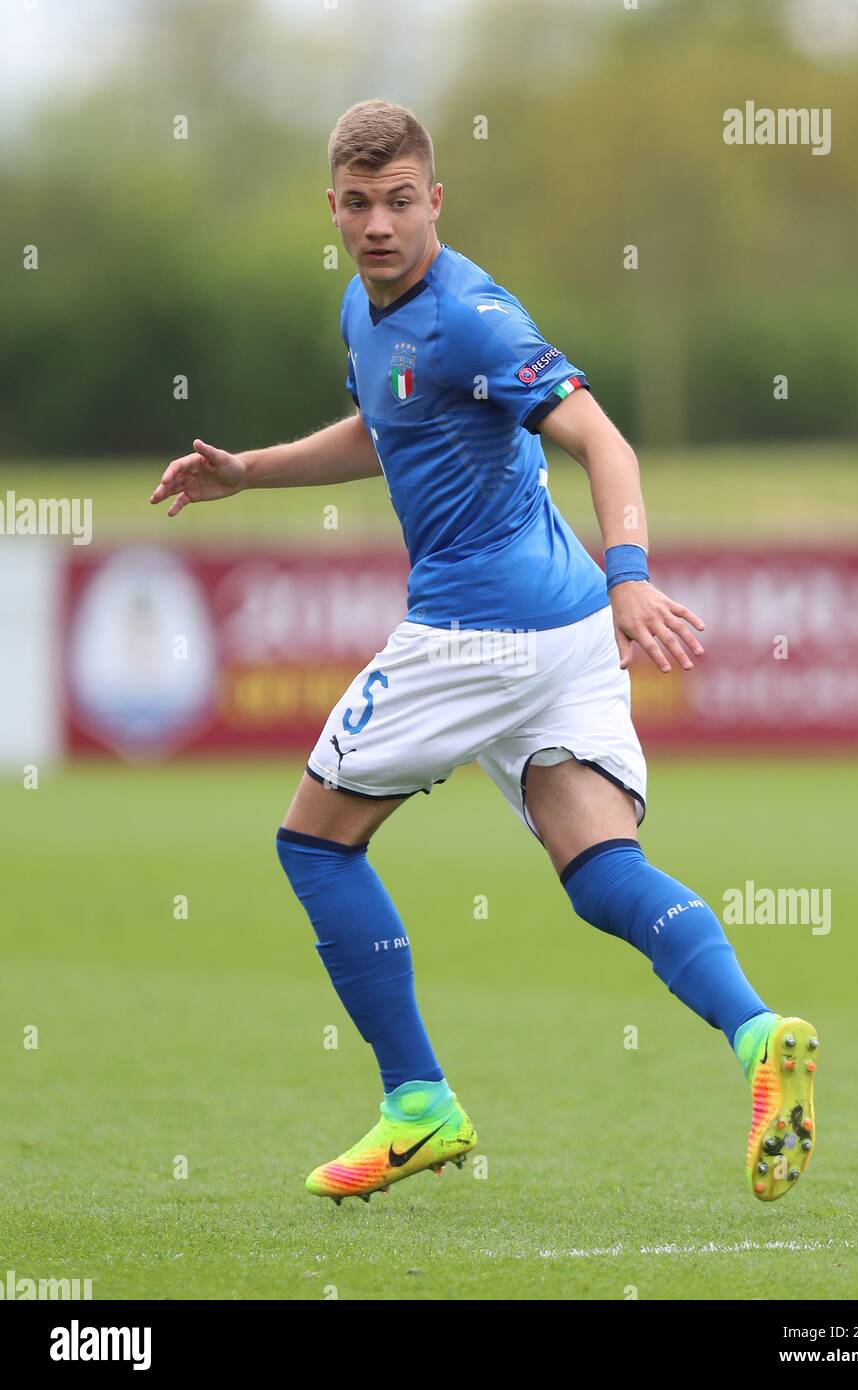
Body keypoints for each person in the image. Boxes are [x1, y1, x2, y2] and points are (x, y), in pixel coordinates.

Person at [150, 99, 818, 1206]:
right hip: (558, 638)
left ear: (435, 201)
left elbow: (599, 434)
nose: (378, 224)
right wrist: (249, 471)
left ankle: (419, 1106)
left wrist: (634, 571)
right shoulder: (367, 314)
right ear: (332, 207)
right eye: (358, 205)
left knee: (314, 845)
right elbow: (383, 422)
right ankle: (758, 1037)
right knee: (601, 870)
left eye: (399, 202)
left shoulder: (473, 318)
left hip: (481, 629)